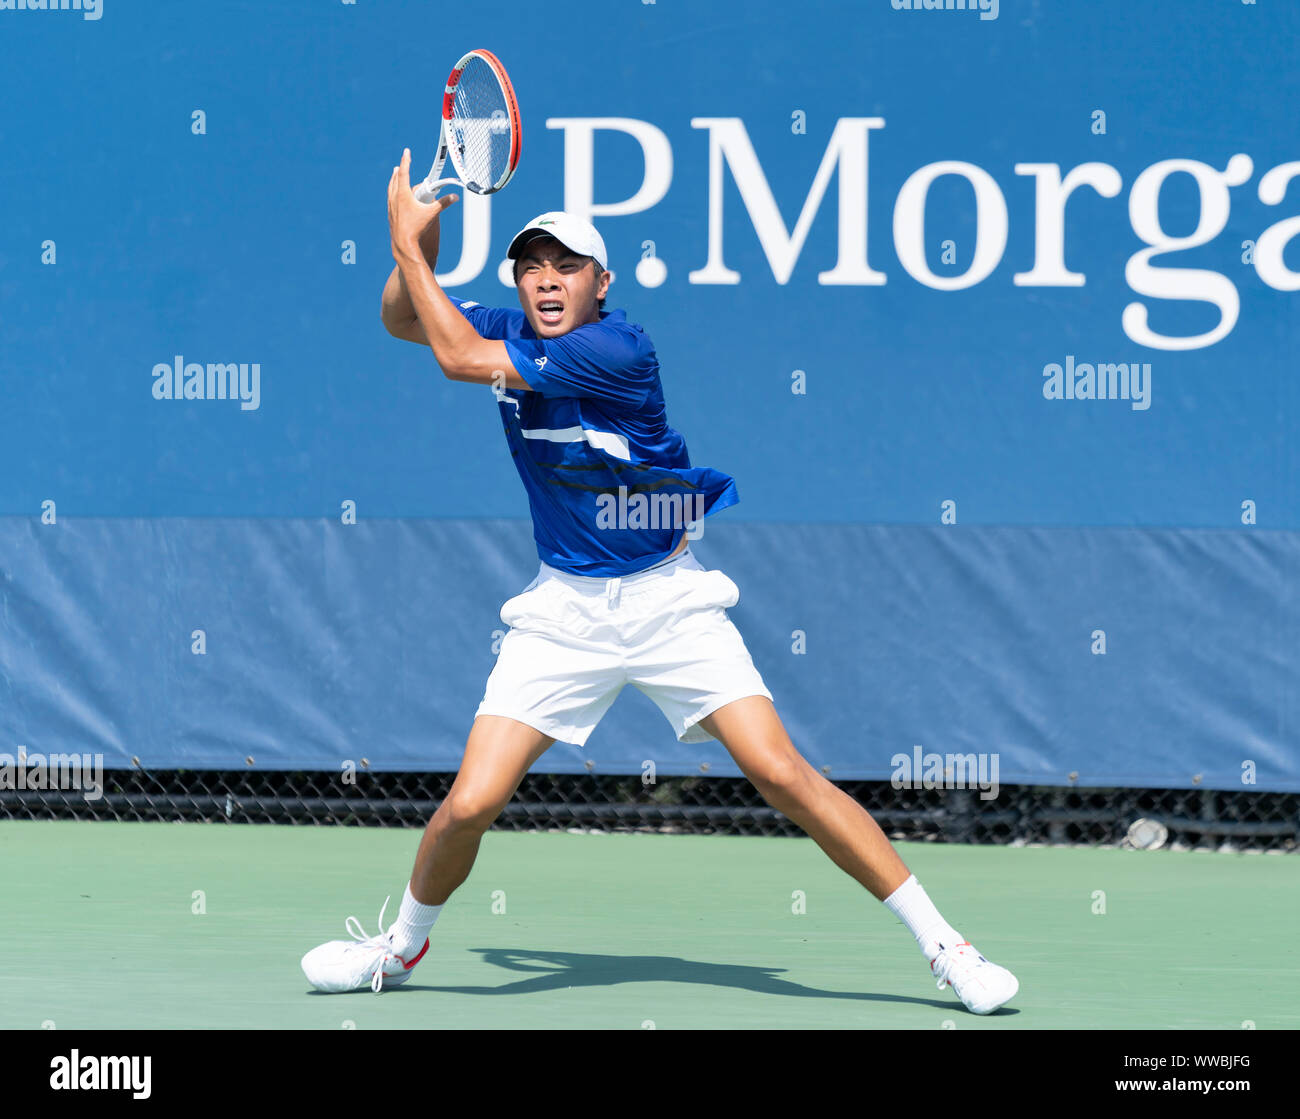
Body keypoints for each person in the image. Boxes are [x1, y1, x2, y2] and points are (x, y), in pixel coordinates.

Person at [300, 150, 1020, 1015]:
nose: (547, 280)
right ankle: (401, 948)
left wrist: (406, 246)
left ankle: (949, 947)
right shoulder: (512, 331)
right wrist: (423, 243)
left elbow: (454, 357)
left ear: (602, 282)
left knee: (781, 770)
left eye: (566, 266)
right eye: (531, 268)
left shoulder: (619, 347)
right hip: (562, 610)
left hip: (666, 600)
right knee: (468, 803)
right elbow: (403, 321)